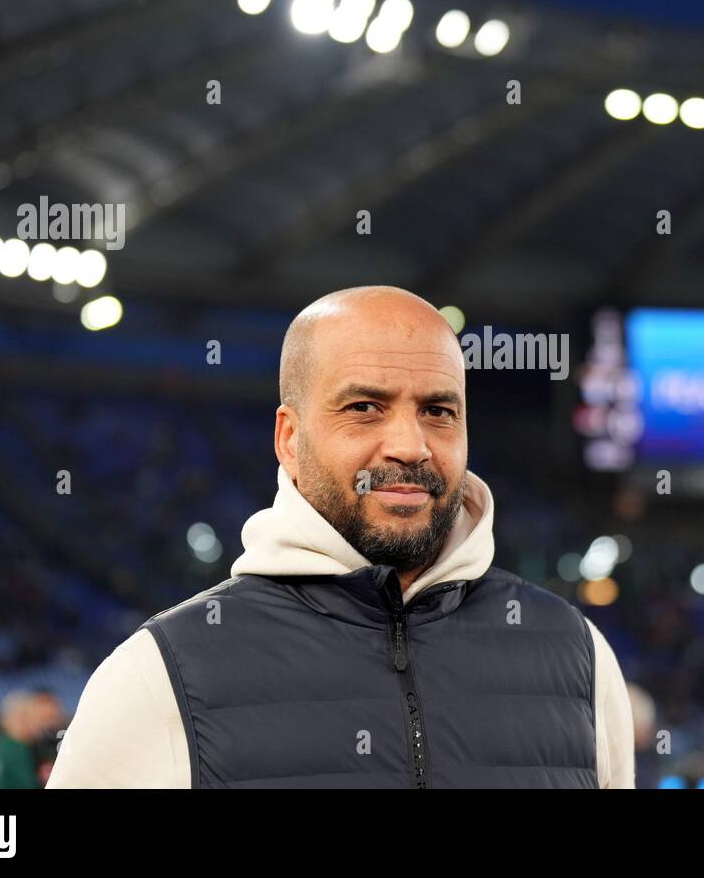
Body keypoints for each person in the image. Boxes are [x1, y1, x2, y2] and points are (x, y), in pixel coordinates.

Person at [49, 286, 634, 788]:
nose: (409, 444)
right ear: (288, 439)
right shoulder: (157, 677)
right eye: (364, 407)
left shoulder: (579, 656)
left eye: (438, 411)